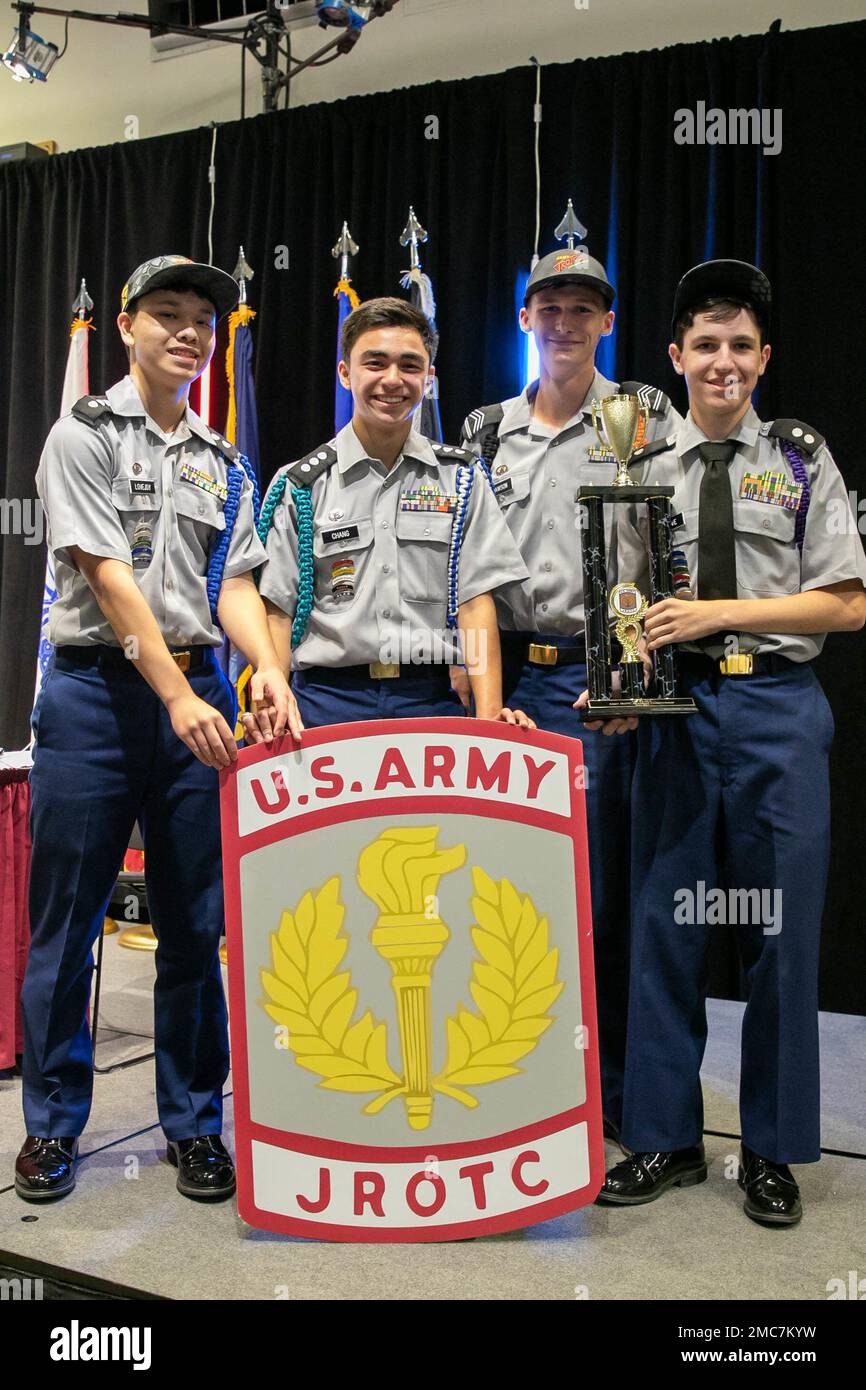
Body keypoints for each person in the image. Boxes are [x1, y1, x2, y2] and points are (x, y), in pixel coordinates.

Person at [16, 255, 300, 1205]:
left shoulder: (224, 462)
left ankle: (194, 1125)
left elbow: (234, 587)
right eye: (168, 314)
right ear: (128, 325)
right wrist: (177, 696)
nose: (189, 332)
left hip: (198, 689)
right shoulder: (84, 434)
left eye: (203, 322)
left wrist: (266, 668)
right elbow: (105, 574)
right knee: (70, 923)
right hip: (98, 698)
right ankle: (54, 1124)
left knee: (195, 925)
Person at [597, 258, 866, 1225]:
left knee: (780, 939)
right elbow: (623, 600)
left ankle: (772, 1151)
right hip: (676, 720)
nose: (722, 362)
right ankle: (663, 1138)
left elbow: (846, 600)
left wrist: (717, 613)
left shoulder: (798, 458)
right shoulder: (639, 467)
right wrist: (625, 683)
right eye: (704, 345)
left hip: (775, 710)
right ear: (675, 356)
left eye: (740, 345)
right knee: (663, 929)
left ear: (763, 358)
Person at [460, 247, 681, 1138]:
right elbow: (458, 558)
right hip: (510, 679)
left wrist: (631, 673)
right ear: (525, 320)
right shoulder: (483, 431)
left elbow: (658, 543)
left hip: (607, 684)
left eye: (583, 307)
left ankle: (618, 1100)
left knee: (612, 903)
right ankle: (528, 1092)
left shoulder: (639, 416)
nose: (564, 321)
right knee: (518, 900)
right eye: (548, 306)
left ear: (607, 322)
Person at [254, 297, 532, 730]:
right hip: (325, 702)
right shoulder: (301, 484)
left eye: (409, 365)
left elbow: (476, 604)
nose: (392, 380)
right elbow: (278, 608)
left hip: (428, 698)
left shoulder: (460, 479)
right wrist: (274, 704)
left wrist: (489, 715)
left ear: (429, 378)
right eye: (375, 363)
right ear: (345, 373)